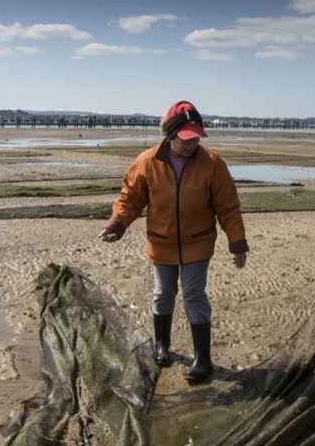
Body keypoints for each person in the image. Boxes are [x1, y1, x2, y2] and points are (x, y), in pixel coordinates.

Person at [98, 100, 248, 384]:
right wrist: (117, 224)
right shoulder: (147, 162)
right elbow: (131, 199)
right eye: (186, 138)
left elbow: (228, 206)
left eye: (196, 138)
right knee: (163, 293)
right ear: (170, 133)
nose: (192, 144)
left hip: (198, 243)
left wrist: (237, 242)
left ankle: (203, 360)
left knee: (194, 296)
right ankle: (162, 346)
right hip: (161, 242)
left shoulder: (213, 163)